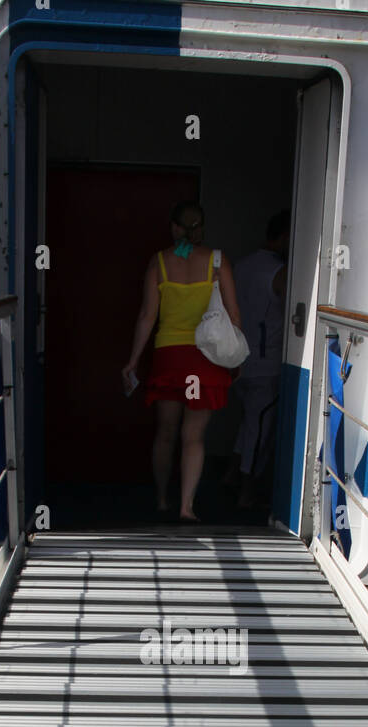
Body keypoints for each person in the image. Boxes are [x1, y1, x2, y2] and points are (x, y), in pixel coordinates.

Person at [123, 202, 242, 521]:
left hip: (169, 358)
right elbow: (233, 315)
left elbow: (148, 316)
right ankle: (186, 506)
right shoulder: (217, 262)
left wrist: (133, 360)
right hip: (205, 359)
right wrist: (234, 354)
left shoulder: (159, 263)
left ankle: (162, 498)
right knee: (194, 436)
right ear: (200, 228)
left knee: (165, 432)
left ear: (175, 228)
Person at [231, 209, 291, 508]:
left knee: (248, 421)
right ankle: (246, 491)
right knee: (259, 428)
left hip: (239, 360)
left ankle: (231, 475)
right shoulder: (279, 273)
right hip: (266, 362)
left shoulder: (240, 266)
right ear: (285, 236)